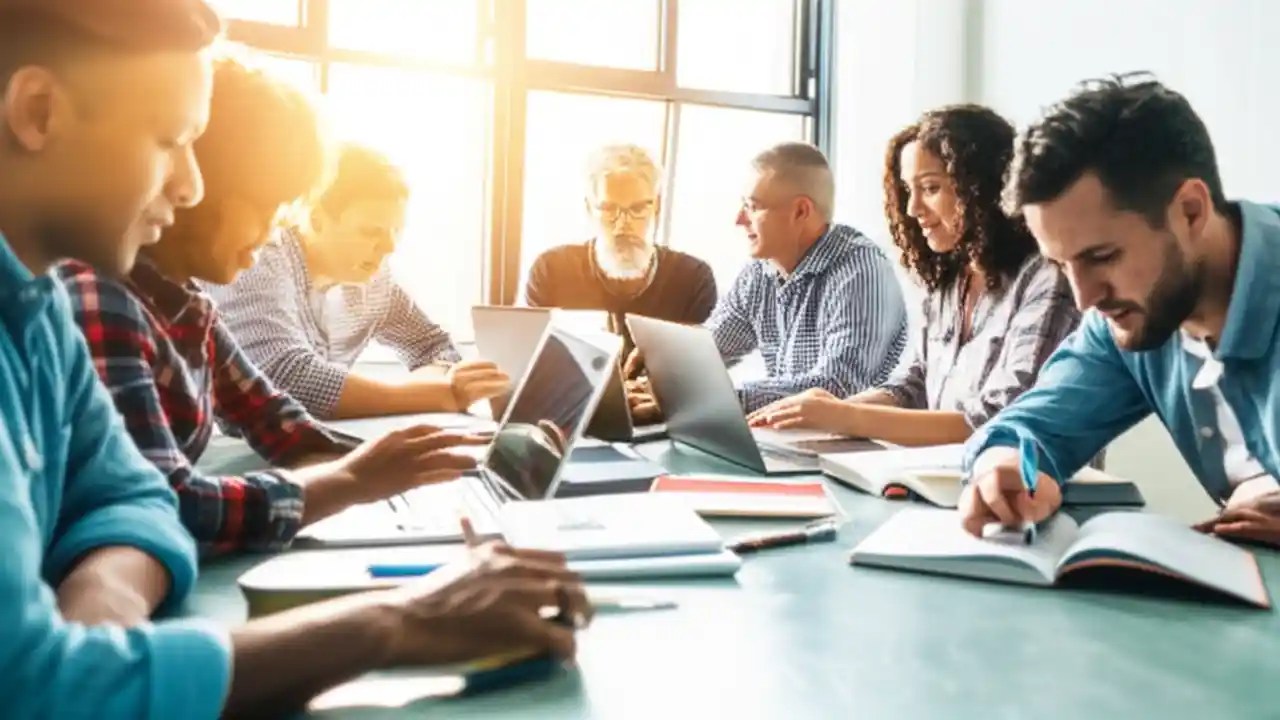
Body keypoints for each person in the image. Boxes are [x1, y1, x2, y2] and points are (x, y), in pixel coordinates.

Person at [0, 4, 585, 718]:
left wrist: (105, 620)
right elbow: (40, 692)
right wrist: (392, 620)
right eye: (169, 141)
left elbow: (134, 498)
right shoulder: (86, 299)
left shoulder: (37, 311)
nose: (188, 187)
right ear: (36, 111)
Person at [58, 53, 487, 557]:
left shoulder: (188, 307)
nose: (274, 231)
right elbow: (163, 505)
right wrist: (350, 481)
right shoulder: (101, 298)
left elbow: (280, 424)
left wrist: (427, 464)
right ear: (205, 188)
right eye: (268, 207)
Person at [959, 74, 1280, 548]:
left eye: (1102, 257)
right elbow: (1032, 426)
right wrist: (1003, 466)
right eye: (1061, 265)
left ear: (1190, 211)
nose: (1085, 297)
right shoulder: (1131, 315)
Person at [748, 106, 1079, 446]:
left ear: (982, 188)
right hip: (944, 483)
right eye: (908, 191)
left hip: (1031, 492)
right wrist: (822, 413)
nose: (912, 209)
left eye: (931, 188)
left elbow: (1001, 421)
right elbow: (912, 387)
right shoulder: (949, 284)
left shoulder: (1049, 278)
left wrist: (845, 416)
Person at [207, 142, 509, 420]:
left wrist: (422, 393)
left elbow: (433, 346)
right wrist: (437, 395)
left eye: (395, 231)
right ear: (316, 220)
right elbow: (284, 376)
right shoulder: (259, 259)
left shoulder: (374, 281)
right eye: (370, 232)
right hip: (237, 448)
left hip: (318, 441)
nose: (389, 247)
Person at [630, 141, 908, 416]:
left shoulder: (861, 271)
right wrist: (660, 366)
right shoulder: (760, 272)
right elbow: (712, 348)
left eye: (753, 206)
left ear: (801, 211)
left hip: (857, 453)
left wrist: (715, 401)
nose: (739, 219)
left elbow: (838, 386)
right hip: (791, 441)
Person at [523, 143, 717, 358]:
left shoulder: (693, 280)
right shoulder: (551, 271)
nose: (624, 224)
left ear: (657, 207)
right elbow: (534, 362)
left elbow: (698, 371)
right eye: (608, 209)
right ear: (589, 208)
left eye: (638, 209)